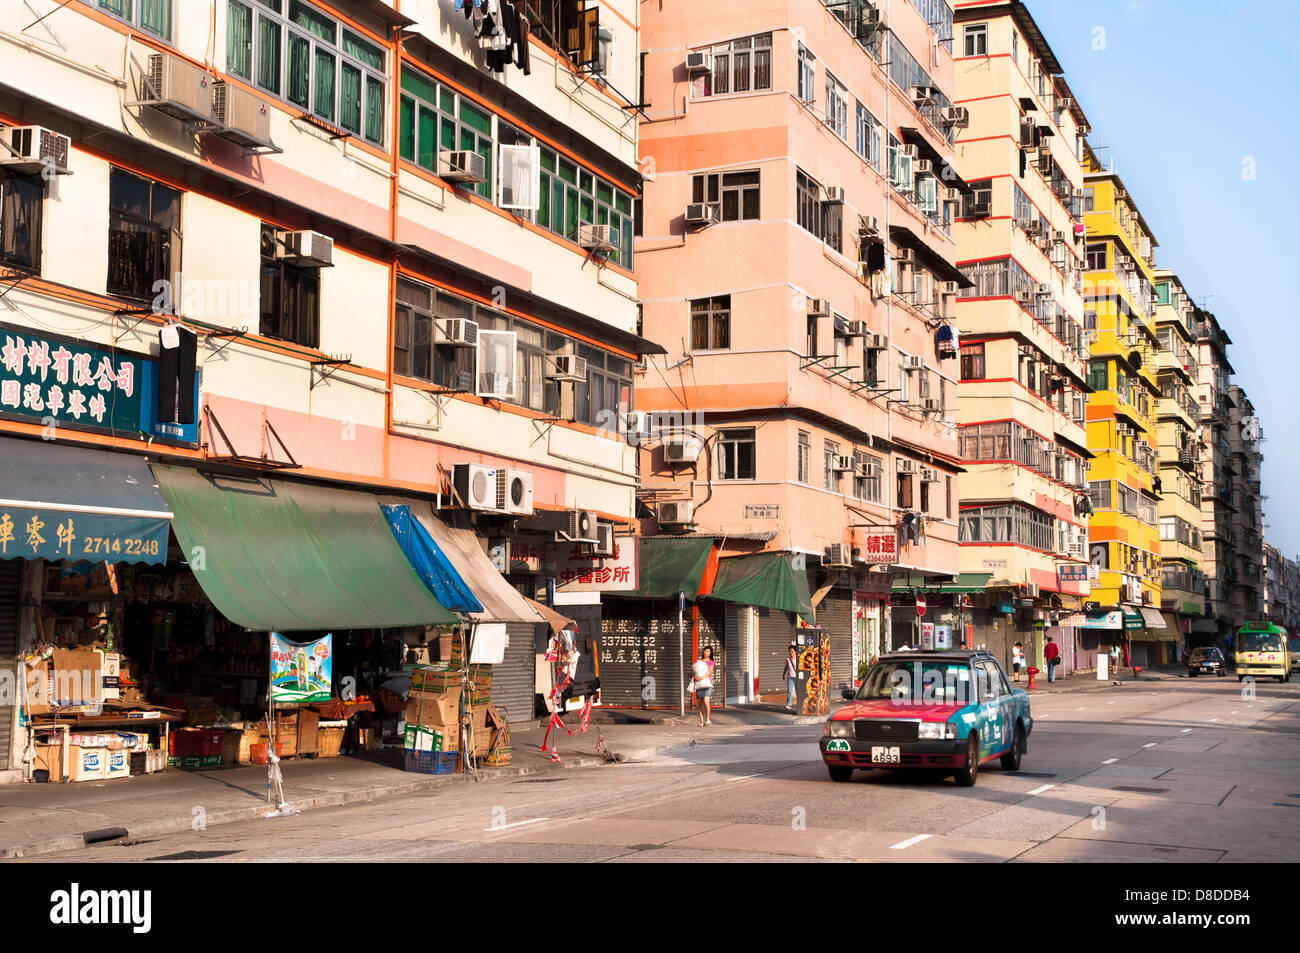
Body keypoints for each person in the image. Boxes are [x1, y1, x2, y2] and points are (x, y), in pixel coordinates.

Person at [692, 646, 716, 727]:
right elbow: (695, 671)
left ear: (710, 653)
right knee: (700, 703)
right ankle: (701, 721)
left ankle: (708, 720)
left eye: (708, 651)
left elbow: (709, 672)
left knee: (706, 701)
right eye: (705, 651)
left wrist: (702, 677)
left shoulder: (711, 662)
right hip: (699, 684)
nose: (706, 653)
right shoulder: (699, 661)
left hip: (707, 683)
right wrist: (695, 676)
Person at [785, 645, 799, 709]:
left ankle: (799, 703)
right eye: (790, 651)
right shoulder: (788, 659)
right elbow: (786, 667)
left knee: (797, 691)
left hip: (796, 677)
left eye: (792, 651)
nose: (791, 653)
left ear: (795, 652)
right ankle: (788, 704)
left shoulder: (798, 659)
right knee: (789, 691)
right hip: (790, 677)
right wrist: (784, 674)